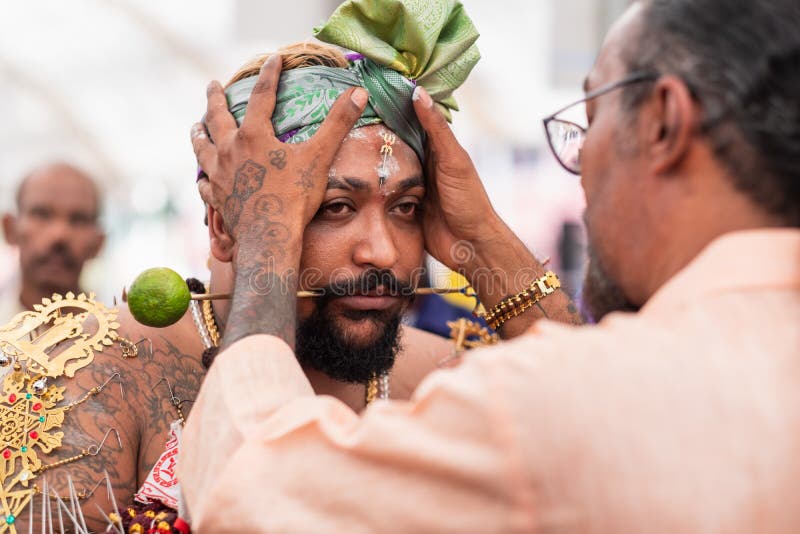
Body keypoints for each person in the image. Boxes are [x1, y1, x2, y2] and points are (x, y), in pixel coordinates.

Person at [182, 0, 800, 531]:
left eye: (592, 118)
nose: (578, 165)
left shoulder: (540, 404)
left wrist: (267, 240)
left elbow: (251, 489)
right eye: (333, 206)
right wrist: (480, 244)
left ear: (664, 121)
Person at [0, 163, 105, 320]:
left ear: (98, 243)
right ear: (10, 229)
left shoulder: (127, 340)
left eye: (78, 219)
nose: (60, 234)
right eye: (42, 214)